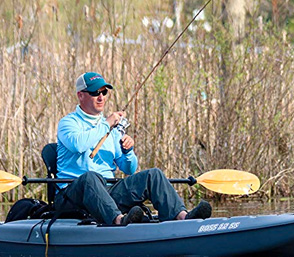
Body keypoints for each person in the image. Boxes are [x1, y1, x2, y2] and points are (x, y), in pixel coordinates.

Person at [54, 72, 211, 225]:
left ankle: (181, 216)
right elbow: (78, 145)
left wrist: (128, 152)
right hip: (72, 195)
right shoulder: (68, 123)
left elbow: (129, 169)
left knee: (153, 175)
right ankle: (118, 220)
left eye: (104, 92)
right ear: (81, 95)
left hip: (107, 192)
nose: (101, 97)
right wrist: (107, 124)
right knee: (90, 177)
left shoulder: (112, 130)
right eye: (95, 93)